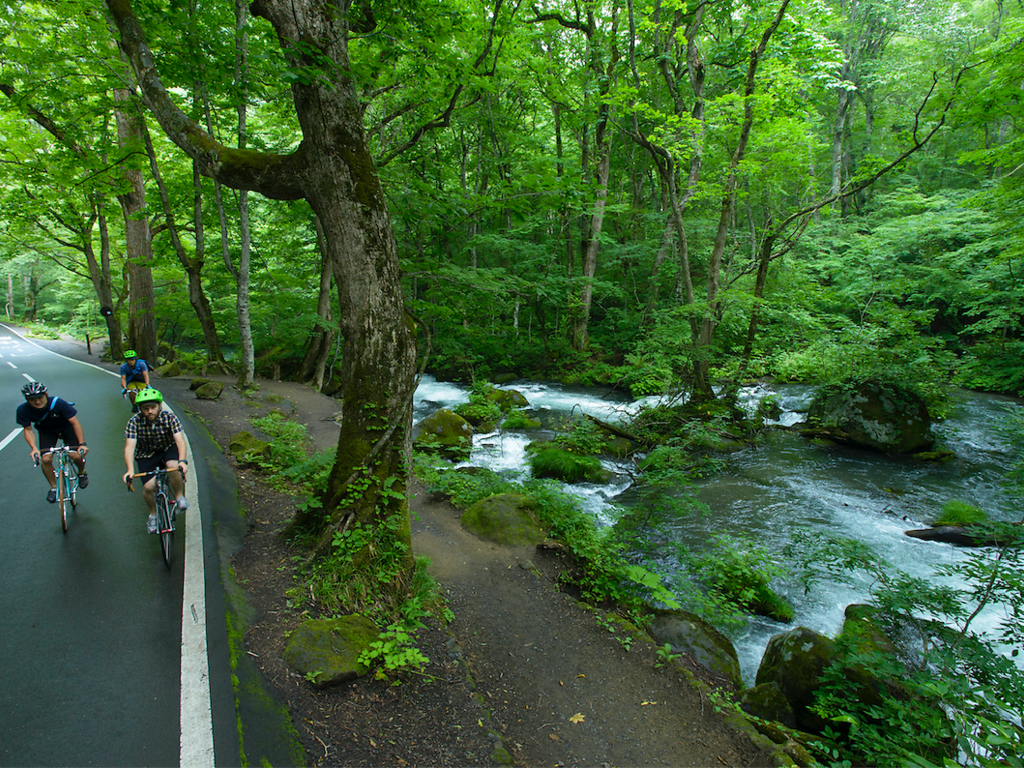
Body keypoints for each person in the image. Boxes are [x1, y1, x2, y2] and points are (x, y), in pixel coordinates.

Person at [122, 387, 189, 533]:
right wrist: (130, 470)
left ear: (159, 406)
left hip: (167, 448)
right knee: (148, 487)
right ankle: (153, 514)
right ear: (140, 409)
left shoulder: (170, 417)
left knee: (173, 467)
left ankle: (179, 497)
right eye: (146, 409)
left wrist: (182, 461)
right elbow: (129, 447)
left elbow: (180, 441)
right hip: (146, 454)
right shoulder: (134, 422)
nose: (150, 411)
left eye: (153, 407)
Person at [16, 381, 89, 502]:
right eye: (32, 399)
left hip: (66, 427)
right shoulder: (23, 410)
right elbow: (28, 429)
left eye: (40, 397)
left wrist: (82, 444)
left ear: (46, 395)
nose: (37, 402)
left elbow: (75, 423)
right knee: (45, 459)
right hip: (46, 431)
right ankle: (54, 487)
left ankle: (81, 472)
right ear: (27, 399)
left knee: (74, 455)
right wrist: (34, 448)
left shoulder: (58, 403)